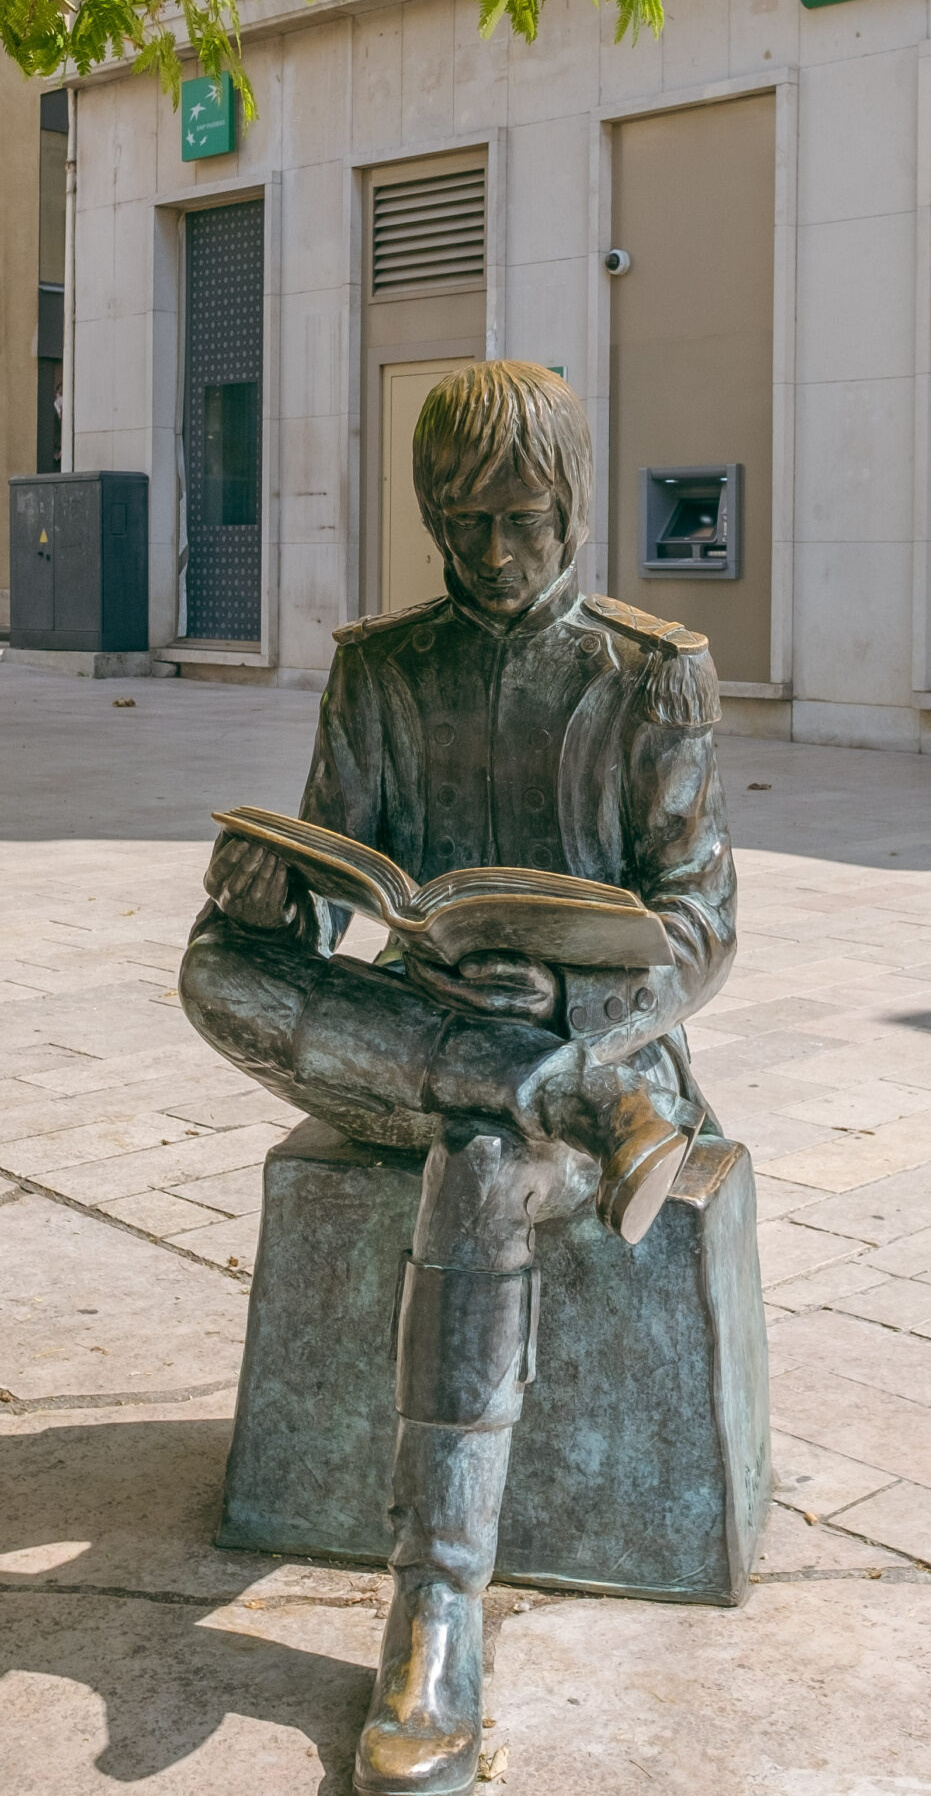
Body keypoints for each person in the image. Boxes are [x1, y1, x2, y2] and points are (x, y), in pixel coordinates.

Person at [179, 361, 736, 1796]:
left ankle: (435, 1608)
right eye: (467, 522)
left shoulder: (647, 670)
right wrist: (266, 902)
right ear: (430, 512)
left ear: (573, 504)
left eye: (526, 519)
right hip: (464, 1046)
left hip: (595, 1037)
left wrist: (566, 990)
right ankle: (567, 1111)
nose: (497, 553)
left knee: (482, 1172)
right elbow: (323, 897)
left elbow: (700, 922)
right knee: (212, 971)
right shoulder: (381, 669)